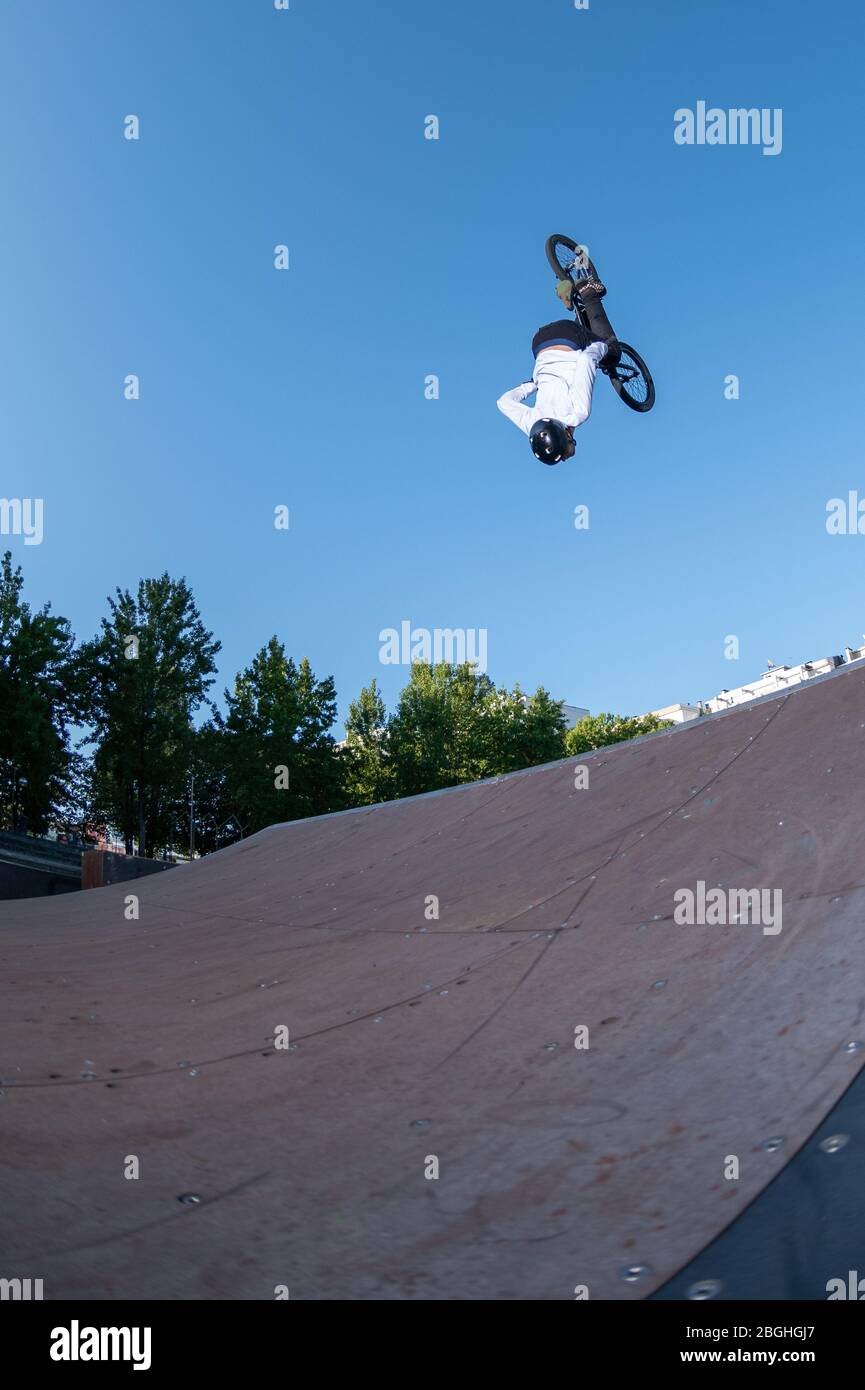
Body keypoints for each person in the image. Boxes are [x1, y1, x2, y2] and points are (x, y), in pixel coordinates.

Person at [496, 276, 620, 465]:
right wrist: (532, 384)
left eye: (564, 454)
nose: (567, 457)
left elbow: (587, 360)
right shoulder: (532, 425)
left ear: (566, 437)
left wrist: (603, 349)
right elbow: (503, 402)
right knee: (583, 343)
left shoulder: (577, 414)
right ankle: (571, 296)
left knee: (610, 350)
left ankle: (588, 292)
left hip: (568, 337)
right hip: (539, 342)